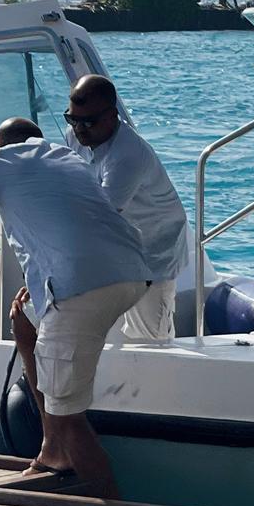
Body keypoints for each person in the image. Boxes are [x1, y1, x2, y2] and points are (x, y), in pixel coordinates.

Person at [0, 117, 151, 495]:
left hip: (81, 289)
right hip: (132, 275)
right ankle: (52, 452)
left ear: (0, 146)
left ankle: (112, 503)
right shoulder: (66, 157)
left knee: (69, 416)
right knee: (26, 327)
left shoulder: (1, 159)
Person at [62, 74, 192, 342]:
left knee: (151, 341)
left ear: (112, 116)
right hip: (117, 249)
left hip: (152, 253)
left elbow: (100, 218)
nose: (79, 129)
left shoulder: (127, 155)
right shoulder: (75, 135)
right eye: (72, 119)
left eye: (88, 122)